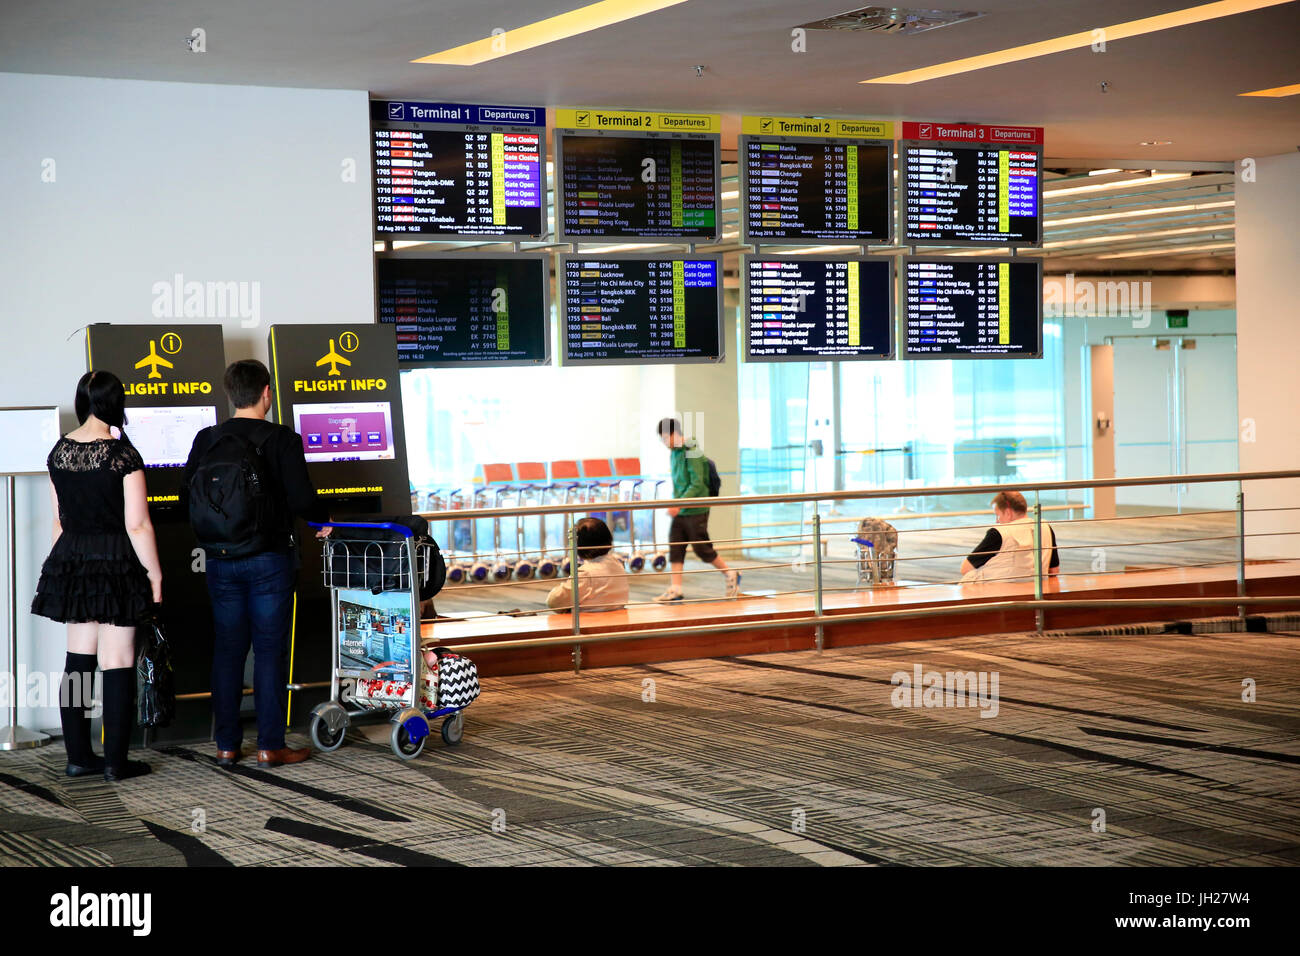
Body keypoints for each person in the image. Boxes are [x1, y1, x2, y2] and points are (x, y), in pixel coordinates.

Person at [183, 359, 330, 768]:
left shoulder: (206, 438)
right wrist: (324, 522)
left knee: (228, 649)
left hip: (220, 560)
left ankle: (227, 745)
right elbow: (303, 500)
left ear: (230, 395)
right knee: (269, 652)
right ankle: (270, 745)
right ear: (267, 393)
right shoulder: (282, 438)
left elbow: (186, 497)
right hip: (270, 559)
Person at [31, 370, 162, 782]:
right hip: (117, 561)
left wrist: (63, 565)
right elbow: (138, 525)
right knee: (117, 661)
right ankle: (116, 763)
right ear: (113, 404)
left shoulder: (59, 451)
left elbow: (59, 520)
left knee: (78, 662)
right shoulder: (122, 456)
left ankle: (78, 756)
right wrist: (155, 576)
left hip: (72, 559)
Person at [653, 417, 739, 603]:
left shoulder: (692, 451)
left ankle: (730, 573)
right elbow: (680, 483)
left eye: (666, 438)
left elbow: (697, 484)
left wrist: (679, 503)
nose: (665, 443)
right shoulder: (674, 453)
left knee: (702, 549)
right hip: (682, 510)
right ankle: (676, 588)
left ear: (675, 434)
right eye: (662, 439)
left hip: (696, 509)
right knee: (676, 547)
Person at [960, 490, 1059, 583]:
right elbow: (1054, 571)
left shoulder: (999, 533)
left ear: (1008, 512)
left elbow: (965, 569)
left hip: (997, 593)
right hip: (1035, 590)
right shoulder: (1045, 527)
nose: (997, 521)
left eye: (997, 515)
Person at [546, 517, 629, 612]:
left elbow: (554, 601)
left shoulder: (586, 573)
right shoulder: (617, 563)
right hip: (616, 616)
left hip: (590, 621)